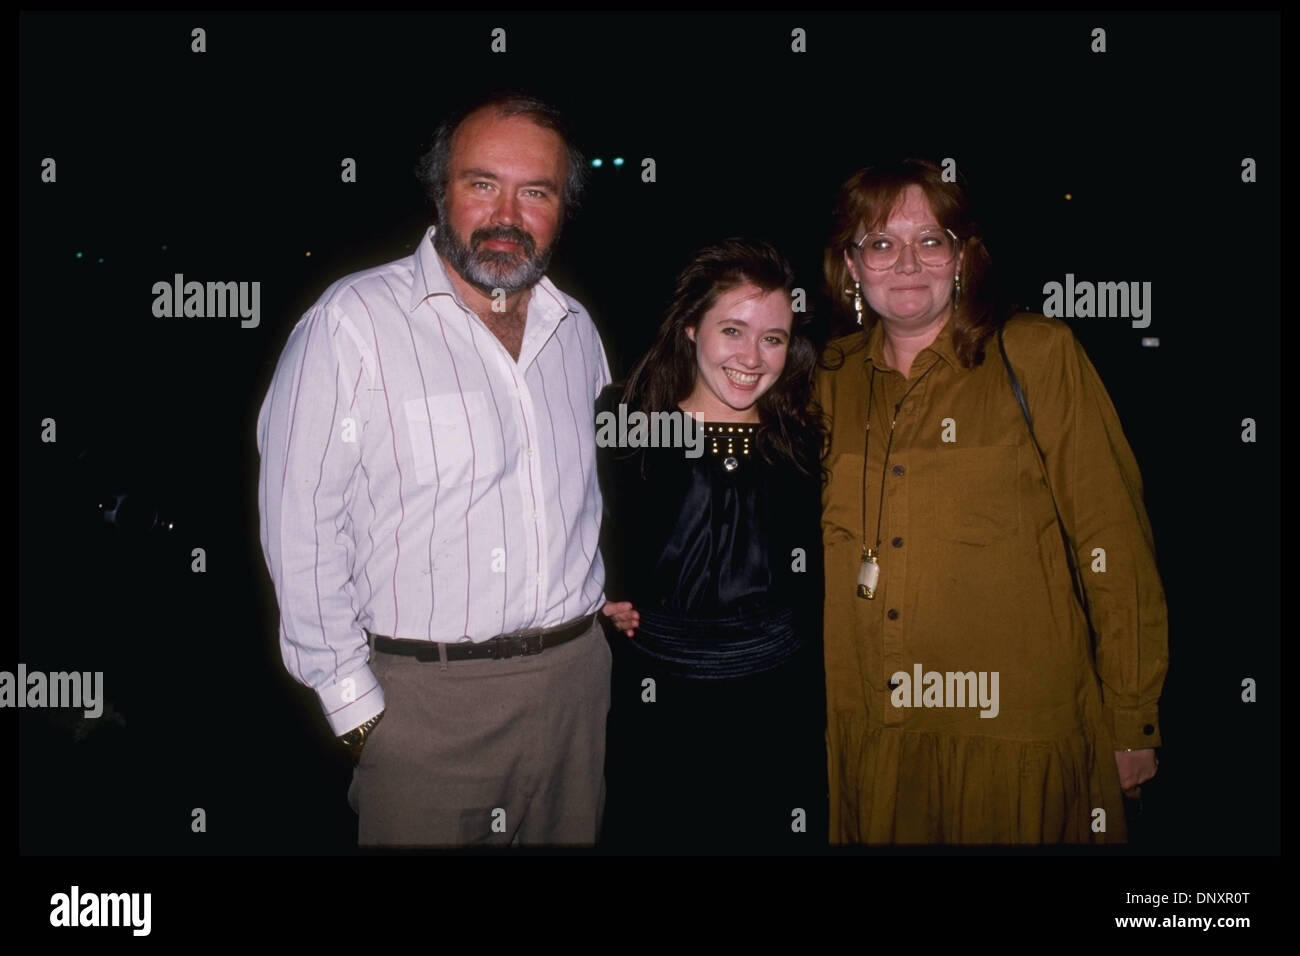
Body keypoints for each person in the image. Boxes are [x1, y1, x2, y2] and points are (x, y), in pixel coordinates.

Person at [256, 92, 613, 847]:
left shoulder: (576, 330)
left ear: (562, 208)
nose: (507, 214)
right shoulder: (352, 324)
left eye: (536, 191)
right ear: (441, 190)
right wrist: (355, 707)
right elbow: (301, 527)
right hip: (427, 710)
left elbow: (568, 496)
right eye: (482, 184)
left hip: (575, 692)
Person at [817, 159, 1167, 844]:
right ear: (852, 266)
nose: (907, 262)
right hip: (878, 735)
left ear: (961, 257)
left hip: (1015, 738)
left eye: (931, 239)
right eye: (881, 243)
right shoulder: (830, 377)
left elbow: (1113, 543)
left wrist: (1132, 717)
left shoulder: (1036, 354)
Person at [597, 238, 828, 853]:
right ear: (692, 328)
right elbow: (570, 527)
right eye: (733, 330)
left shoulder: (803, 441)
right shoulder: (625, 426)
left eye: (773, 338)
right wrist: (595, 597)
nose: (752, 357)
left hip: (776, 707)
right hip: (656, 705)